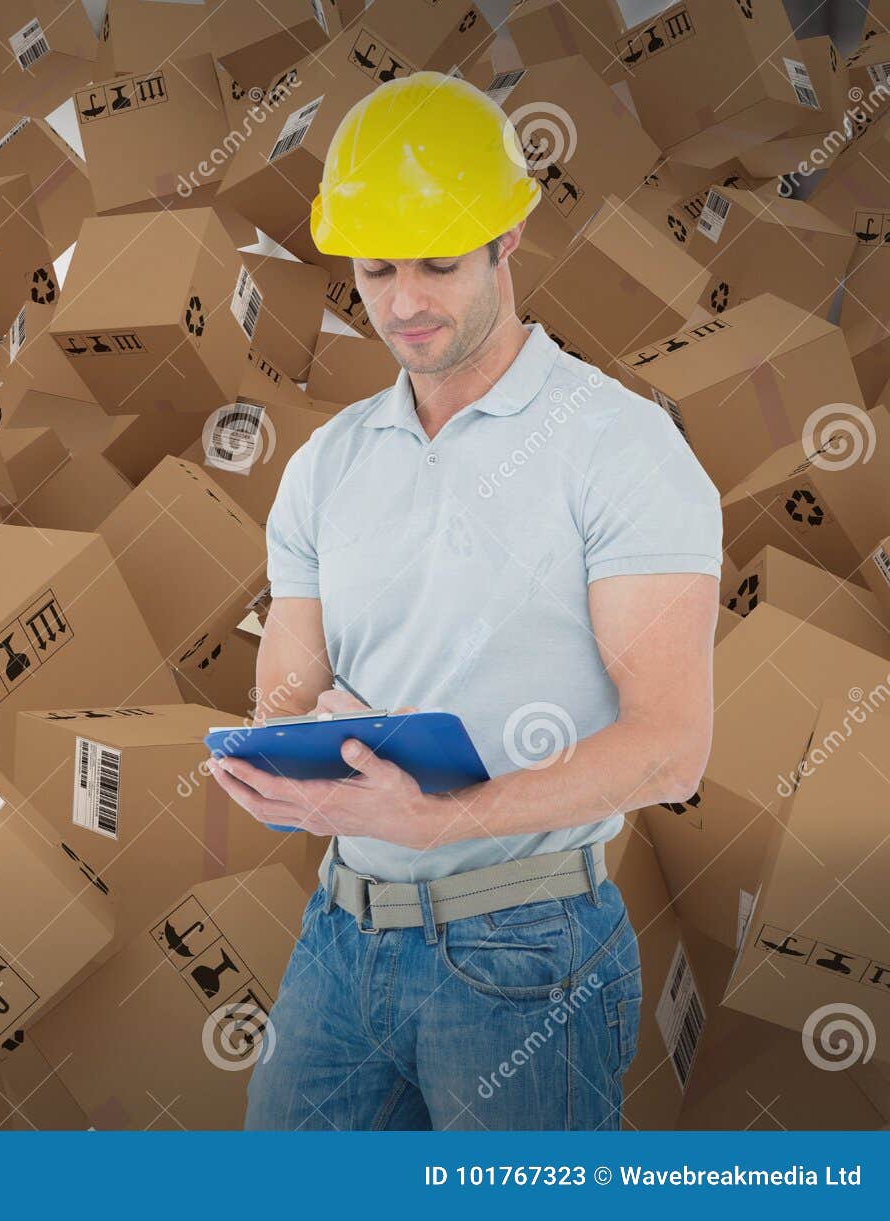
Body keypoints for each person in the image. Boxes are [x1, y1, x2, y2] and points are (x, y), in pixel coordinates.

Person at [211, 72, 722, 1131]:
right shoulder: (326, 463)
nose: (402, 302)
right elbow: (287, 694)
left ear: (508, 239)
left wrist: (439, 820)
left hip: (526, 954)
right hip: (340, 939)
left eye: (439, 264)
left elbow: (672, 750)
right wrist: (282, 763)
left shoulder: (618, 448)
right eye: (376, 267)